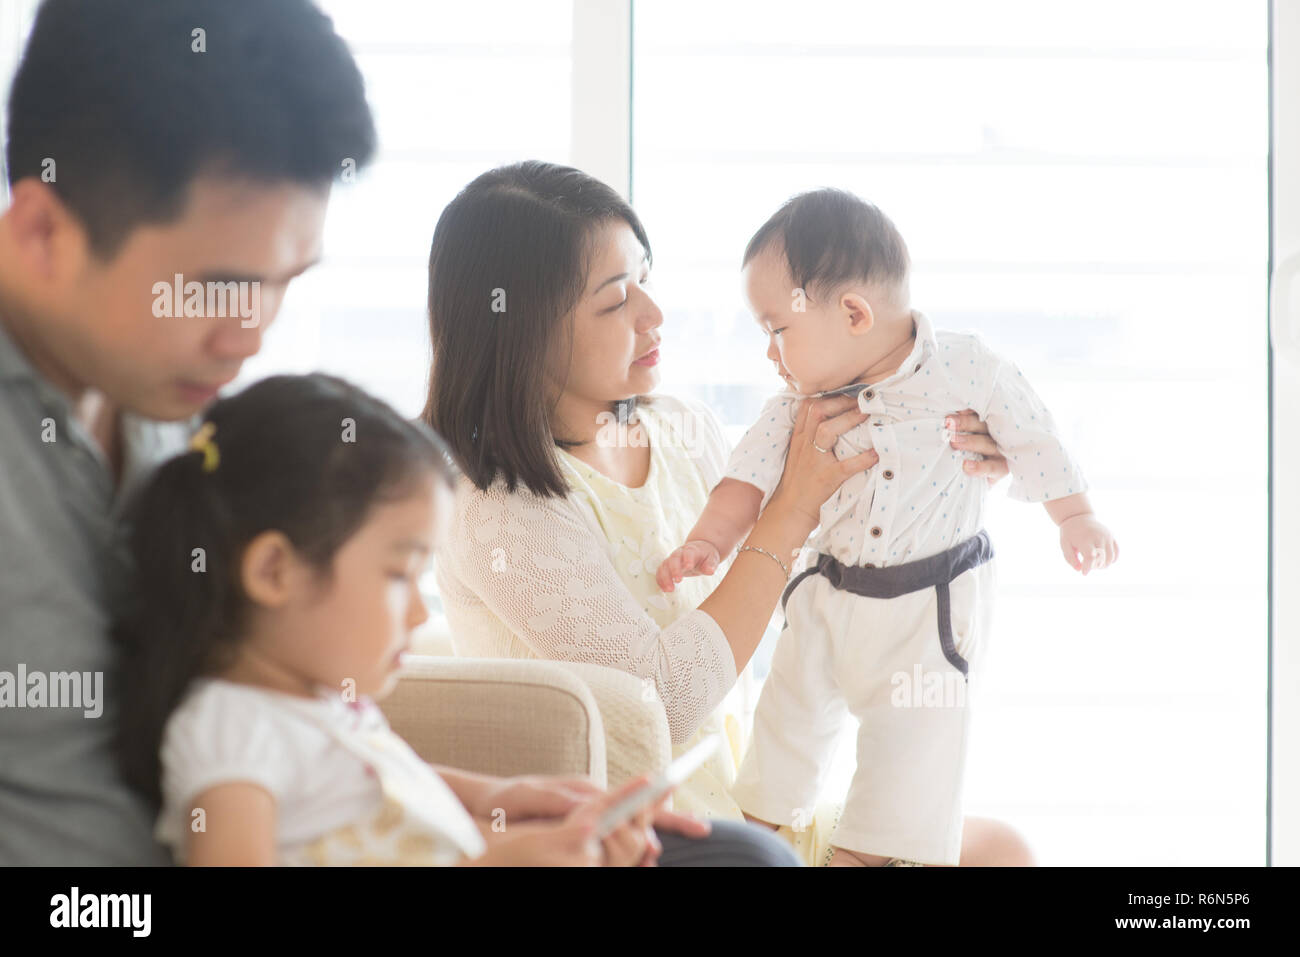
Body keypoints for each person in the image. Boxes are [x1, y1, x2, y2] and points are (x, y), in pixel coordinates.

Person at [426, 160, 1033, 866]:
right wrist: (789, 509)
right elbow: (663, 701)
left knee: (998, 849)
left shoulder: (680, 427)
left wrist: (948, 445)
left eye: (646, 280)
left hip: (746, 805)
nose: (654, 314)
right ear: (526, 327)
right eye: (616, 300)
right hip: (643, 842)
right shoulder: (498, 506)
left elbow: (834, 541)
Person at [0, 0, 377, 864]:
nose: (251, 335)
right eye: (218, 287)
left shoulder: (174, 406)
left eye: (286, 281)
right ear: (43, 232)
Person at [657, 188, 1119, 866]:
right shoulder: (800, 404)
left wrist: (1074, 515)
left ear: (852, 312)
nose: (770, 356)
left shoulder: (966, 369)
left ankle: (867, 855)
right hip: (826, 592)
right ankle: (761, 830)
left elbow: (1032, 432)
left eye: (776, 330)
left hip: (925, 608)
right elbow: (745, 477)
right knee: (787, 718)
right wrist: (708, 540)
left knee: (914, 750)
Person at [119, 372, 731, 866]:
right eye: (398, 575)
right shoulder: (233, 732)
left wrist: (503, 799)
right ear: (275, 572)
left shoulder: (320, 706)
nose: (418, 611)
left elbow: (385, 792)